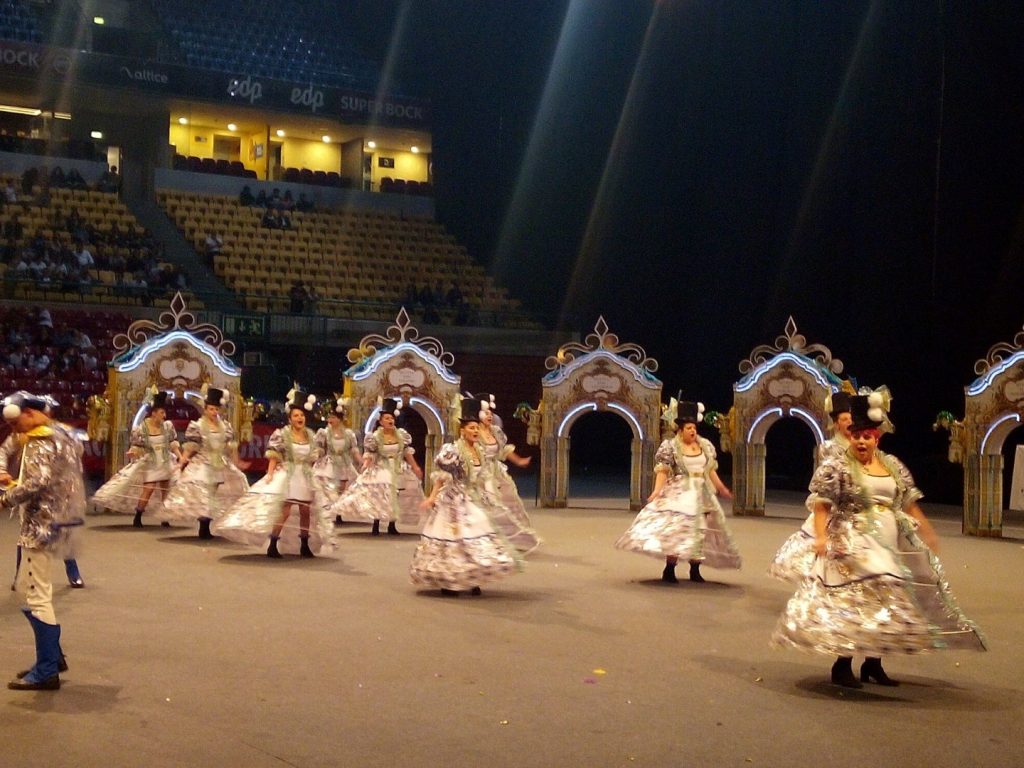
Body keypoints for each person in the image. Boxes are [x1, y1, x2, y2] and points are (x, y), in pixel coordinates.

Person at [771, 393, 987, 688]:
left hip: (888, 540)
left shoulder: (892, 465)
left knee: (884, 603)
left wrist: (925, 528)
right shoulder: (838, 467)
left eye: (868, 437)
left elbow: (908, 500)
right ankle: (842, 664)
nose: (861, 442)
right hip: (852, 541)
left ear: (877, 439)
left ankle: (873, 663)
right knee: (854, 602)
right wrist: (821, 537)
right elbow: (822, 504)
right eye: (857, 436)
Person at [2, 391, 87, 690]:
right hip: (62, 518)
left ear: (27, 414)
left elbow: (37, 482)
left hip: (41, 524)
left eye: (16, 423)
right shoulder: (62, 433)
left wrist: (5, 498)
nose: (15, 430)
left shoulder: (40, 442)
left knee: (36, 594)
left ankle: (48, 668)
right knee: (34, 590)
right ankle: (54, 656)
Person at [615, 399, 740, 583]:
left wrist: (721, 488)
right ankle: (670, 568)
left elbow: (710, 470)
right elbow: (663, 470)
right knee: (677, 530)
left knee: (700, 531)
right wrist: (657, 491)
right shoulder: (671, 447)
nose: (693, 431)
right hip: (680, 492)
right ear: (680, 429)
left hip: (701, 494)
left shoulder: (704, 445)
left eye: (694, 428)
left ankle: (695, 569)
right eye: (689, 427)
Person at [410, 397, 519, 596]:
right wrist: (432, 497)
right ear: (462, 430)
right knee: (454, 538)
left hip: (470, 498)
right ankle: (449, 581)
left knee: (476, 534)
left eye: (476, 427)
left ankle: (472, 577)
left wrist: (488, 494)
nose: (475, 431)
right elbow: (442, 478)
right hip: (452, 500)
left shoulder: (479, 450)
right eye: (471, 428)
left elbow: (481, 476)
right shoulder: (452, 451)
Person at [214, 388, 332, 558]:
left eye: (302, 415)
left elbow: (313, 456)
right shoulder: (282, 435)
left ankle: (304, 545)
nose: (300, 418)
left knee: (306, 512)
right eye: (296, 415)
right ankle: (273, 543)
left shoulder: (310, 436)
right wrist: (269, 474)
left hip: (305, 476)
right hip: (288, 475)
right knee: (284, 511)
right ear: (290, 419)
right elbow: (274, 457)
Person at [157, 386, 249, 538]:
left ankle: (205, 525)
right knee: (204, 495)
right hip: (202, 463)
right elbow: (192, 446)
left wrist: (237, 462)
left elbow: (229, 447)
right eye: (211, 409)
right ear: (205, 409)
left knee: (212, 495)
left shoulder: (225, 427)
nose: (214, 412)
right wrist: (182, 460)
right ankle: (203, 526)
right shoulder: (197, 426)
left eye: (216, 409)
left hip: (218, 464)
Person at [329, 397, 424, 535]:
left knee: (394, 496)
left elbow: (406, 452)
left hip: (397, 468)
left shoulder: (401, 435)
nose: (390, 420)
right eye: (386, 418)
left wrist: (415, 467)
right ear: (380, 421)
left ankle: (392, 524)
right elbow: (371, 453)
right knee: (379, 496)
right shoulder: (375, 437)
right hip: (382, 468)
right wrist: (365, 465)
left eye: (391, 418)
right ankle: (376, 523)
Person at [90, 387, 181, 527]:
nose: (164, 415)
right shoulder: (142, 428)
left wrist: (180, 456)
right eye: (162, 412)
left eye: (164, 412)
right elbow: (137, 446)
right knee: (149, 489)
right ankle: (138, 514)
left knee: (165, 491)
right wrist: (134, 452)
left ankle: (165, 517)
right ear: (154, 413)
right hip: (151, 462)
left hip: (165, 460)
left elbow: (172, 443)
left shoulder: (167, 426)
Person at [475, 393, 540, 554]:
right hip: (480, 474)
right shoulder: (474, 432)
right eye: (486, 412)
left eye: (491, 412)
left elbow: (503, 449)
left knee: (508, 501)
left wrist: (518, 461)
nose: (490, 415)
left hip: (496, 472)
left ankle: (508, 538)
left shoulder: (495, 431)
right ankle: (486, 539)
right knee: (489, 505)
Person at [311, 395, 362, 520]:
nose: (330, 419)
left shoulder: (349, 434)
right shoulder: (324, 432)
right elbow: (320, 449)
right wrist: (315, 455)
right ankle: (327, 511)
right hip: (329, 462)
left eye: (333, 417)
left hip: (344, 463)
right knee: (328, 487)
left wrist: (361, 462)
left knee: (342, 489)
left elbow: (354, 450)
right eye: (329, 417)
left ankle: (338, 513)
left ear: (339, 419)